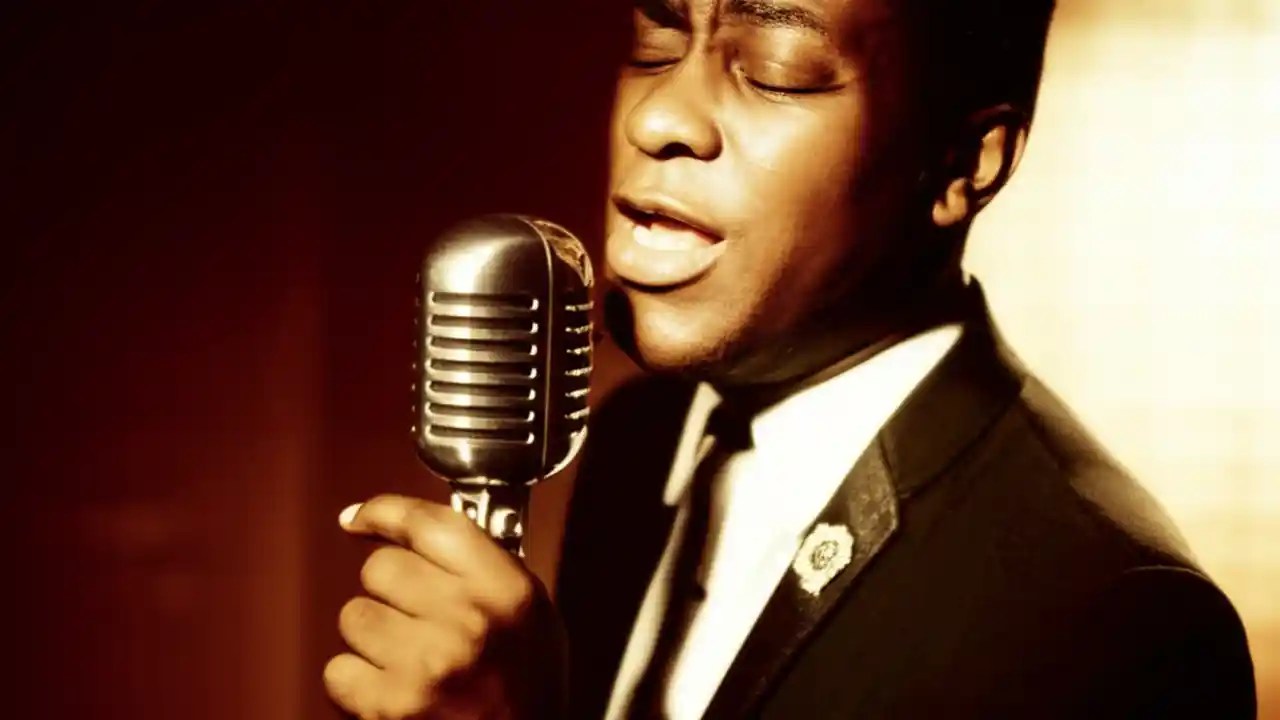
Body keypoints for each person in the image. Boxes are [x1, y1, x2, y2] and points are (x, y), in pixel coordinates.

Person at [322, 0, 1258, 717]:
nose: (661, 118)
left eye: (774, 70)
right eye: (657, 40)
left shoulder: (1117, 624)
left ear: (966, 162)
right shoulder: (637, 443)